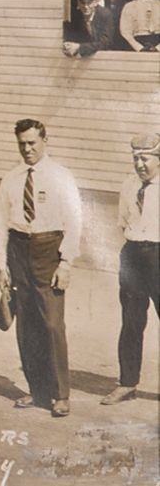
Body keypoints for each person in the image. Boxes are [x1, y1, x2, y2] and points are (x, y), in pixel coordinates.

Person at [0, 118, 82, 416]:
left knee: (52, 323)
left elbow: (74, 221)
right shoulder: (11, 178)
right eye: (22, 144)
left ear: (45, 140)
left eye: (32, 143)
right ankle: (37, 390)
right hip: (18, 249)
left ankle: (60, 394)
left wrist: (66, 262)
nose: (27, 149)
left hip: (49, 250)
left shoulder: (61, 176)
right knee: (27, 324)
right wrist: (1, 265)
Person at [113, 133, 160, 406]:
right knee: (131, 323)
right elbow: (123, 221)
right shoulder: (129, 185)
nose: (140, 164)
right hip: (132, 256)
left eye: (145, 158)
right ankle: (127, 383)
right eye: (135, 158)